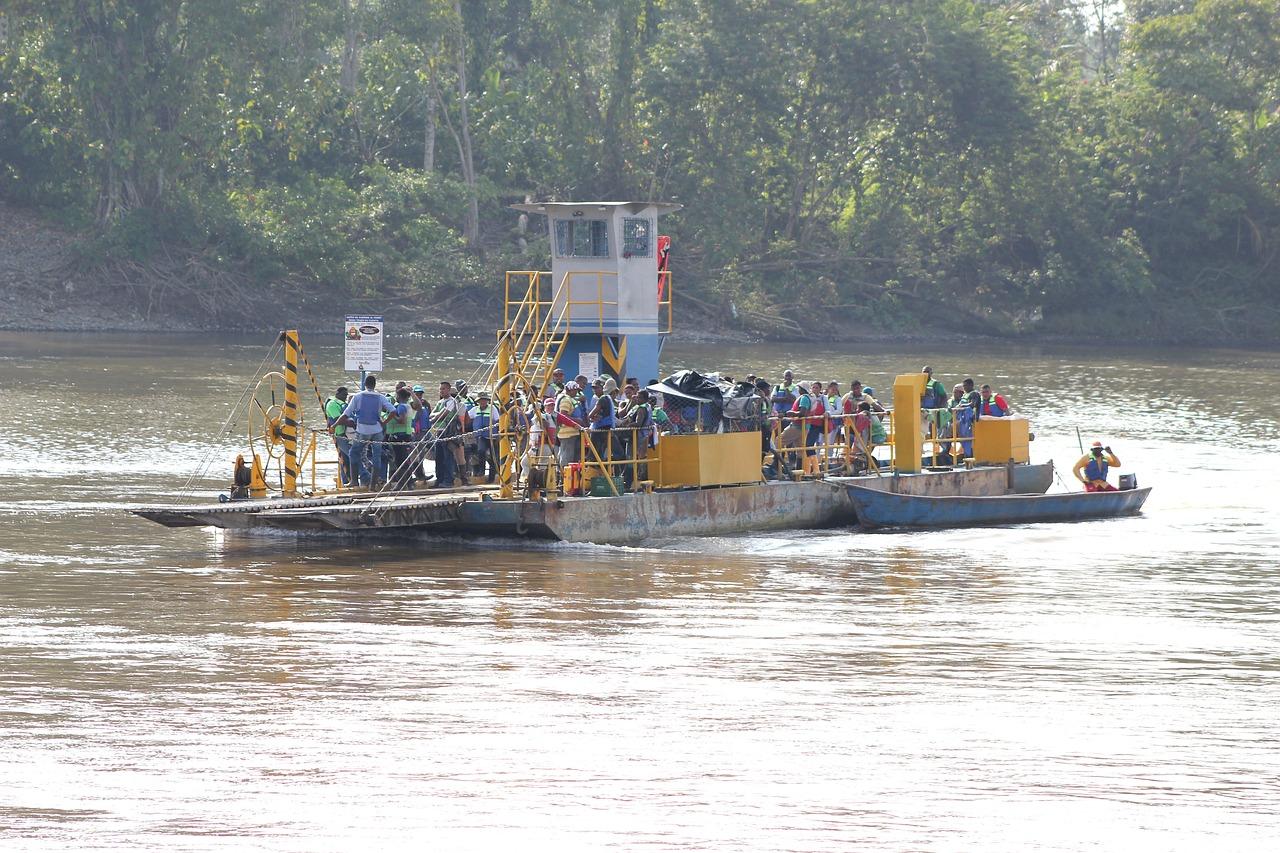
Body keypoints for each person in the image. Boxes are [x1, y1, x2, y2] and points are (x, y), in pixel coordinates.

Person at [340, 375, 395, 488]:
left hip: (363, 431)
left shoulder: (358, 396)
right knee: (376, 457)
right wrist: (384, 422)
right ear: (375, 385)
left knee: (353, 453)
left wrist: (335, 424)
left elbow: (346, 413)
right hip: (377, 431)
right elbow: (393, 411)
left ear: (365, 384)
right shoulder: (380, 397)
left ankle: (354, 481)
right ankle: (373, 485)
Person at [384, 386, 416, 488]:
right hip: (405, 435)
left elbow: (402, 420)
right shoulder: (407, 406)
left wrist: (393, 415)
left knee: (399, 461)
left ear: (399, 396)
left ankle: (401, 484)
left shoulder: (401, 407)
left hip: (399, 436)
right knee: (404, 460)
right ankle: (409, 483)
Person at [430, 381, 460, 488]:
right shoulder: (440, 402)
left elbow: (443, 414)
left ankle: (448, 481)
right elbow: (432, 414)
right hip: (439, 432)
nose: (441, 391)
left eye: (443, 389)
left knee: (448, 457)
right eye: (440, 389)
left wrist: (435, 417)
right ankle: (439, 479)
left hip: (448, 432)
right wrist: (436, 416)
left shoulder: (452, 401)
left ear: (448, 389)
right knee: (439, 458)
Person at [468, 391, 499, 483]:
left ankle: (491, 477)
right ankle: (482, 470)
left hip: (491, 436)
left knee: (493, 457)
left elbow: (497, 420)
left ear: (487, 400)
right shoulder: (475, 409)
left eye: (484, 400)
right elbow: (466, 417)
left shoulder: (492, 408)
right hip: (480, 436)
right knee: (481, 451)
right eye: (481, 400)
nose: (483, 402)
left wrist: (498, 435)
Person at [324, 386, 352, 486]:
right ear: (338, 393)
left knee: (344, 459)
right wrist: (352, 423)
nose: (345, 397)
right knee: (351, 456)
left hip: (344, 434)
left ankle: (346, 481)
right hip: (339, 435)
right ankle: (360, 478)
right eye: (344, 395)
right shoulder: (332, 404)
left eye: (346, 395)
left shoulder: (340, 404)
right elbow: (338, 419)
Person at [588, 377, 618, 462]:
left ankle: (594, 472)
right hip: (605, 430)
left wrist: (593, 417)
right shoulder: (608, 399)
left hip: (599, 431)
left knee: (595, 454)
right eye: (593, 388)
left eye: (596, 388)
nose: (594, 390)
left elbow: (590, 415)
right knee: (599, 454)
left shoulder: (602, 399)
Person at [555, 381, 583, 468]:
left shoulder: (566, 398)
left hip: (569, 433)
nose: (576, 393)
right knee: (567, 458)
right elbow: (562, 415)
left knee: (569, 457)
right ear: (569, 390)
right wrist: (577, 421)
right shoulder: (566, 399)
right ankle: (564, 477)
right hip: (567, 434)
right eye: (575, 390)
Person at [949, 383, 976, 458]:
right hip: (954, 422)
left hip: (965, 424)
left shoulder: (968, 399)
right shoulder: (950, 402)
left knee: (963, 431)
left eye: (956, 392)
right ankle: (946, 449)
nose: (954, 394)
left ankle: (968, 453)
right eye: (954, 392)